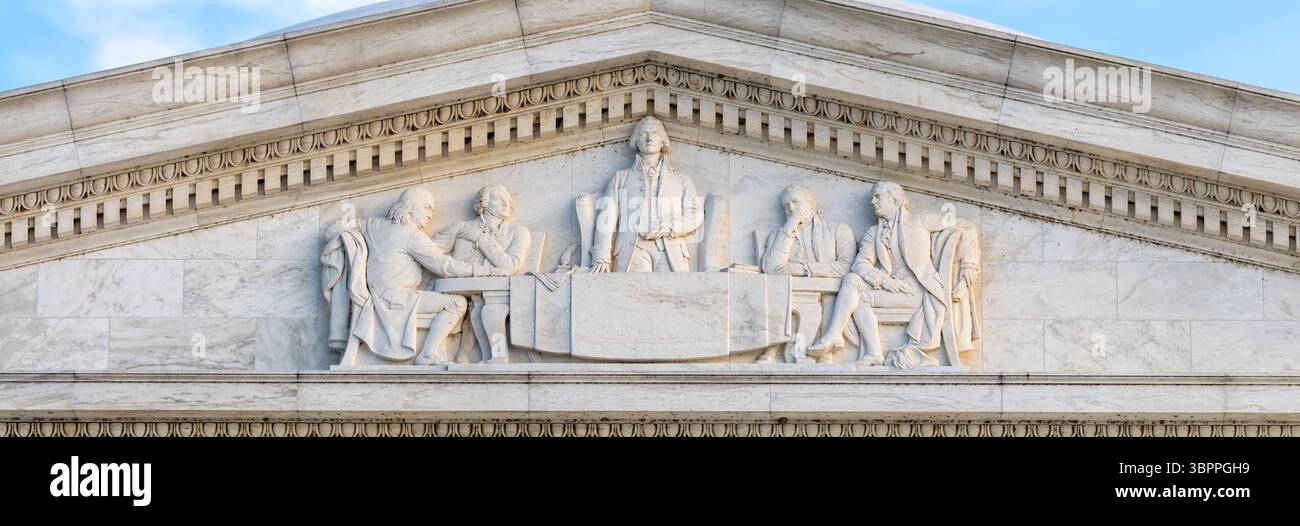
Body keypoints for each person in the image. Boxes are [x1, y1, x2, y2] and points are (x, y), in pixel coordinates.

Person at [808, 182, 979, 367]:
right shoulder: (873, 233)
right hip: (891, 289)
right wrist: (884, 281)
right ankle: (852, 343)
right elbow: (860, 264)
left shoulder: (920, 220)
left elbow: (967, 226)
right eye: (873, 198)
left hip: (918, 293)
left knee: (859, 297)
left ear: (895, 198)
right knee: (852, 279)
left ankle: (846, 340)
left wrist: (969, 264)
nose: (873, 202)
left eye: (878, 197)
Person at [591, 115, 703, 273]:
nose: (650, 137)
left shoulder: (681, 179)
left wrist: (670, 226)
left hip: (671, 250)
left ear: (663, 140)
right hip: (633, 250)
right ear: (636, 140)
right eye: (644, 133)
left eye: (655, 133)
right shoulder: (620, 178)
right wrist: (601, 256)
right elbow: (606, 218)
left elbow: (695, 213)